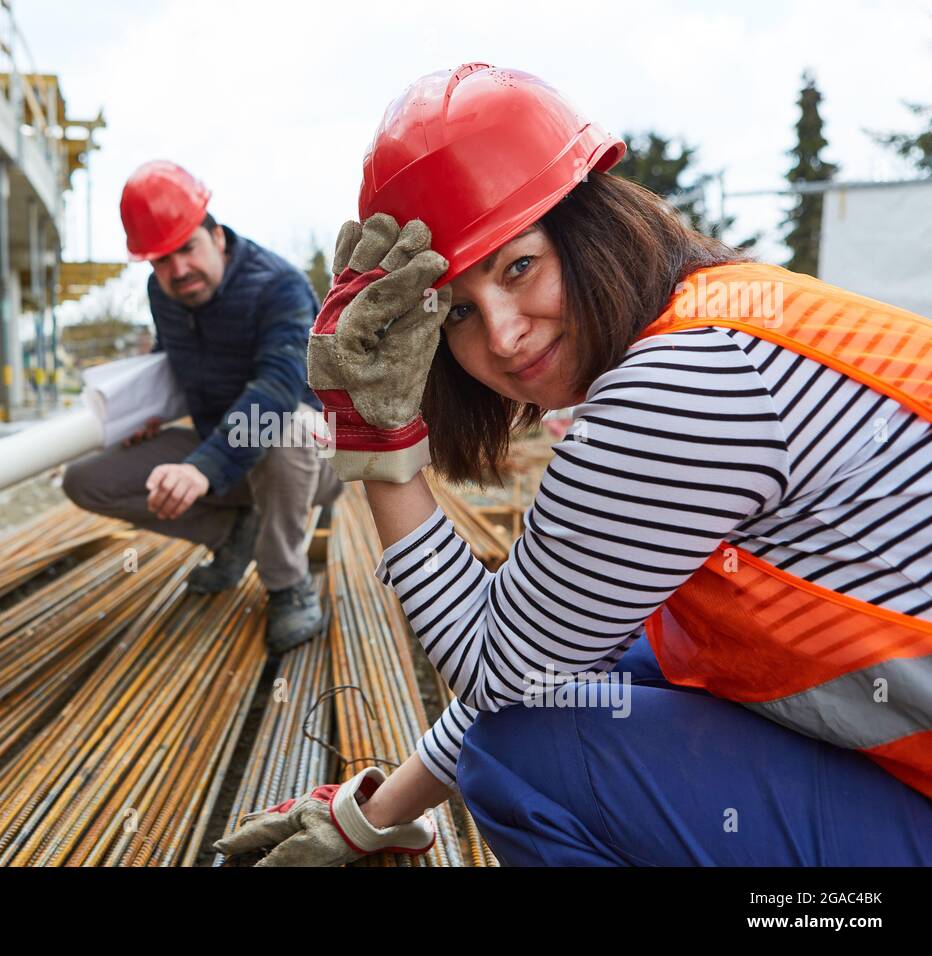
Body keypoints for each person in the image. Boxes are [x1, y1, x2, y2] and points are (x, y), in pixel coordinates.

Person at [215, 64, 932, 865]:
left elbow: (502, 678)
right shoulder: (731, 315)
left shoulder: (677, 390)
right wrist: (375, 815)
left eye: (518, 267)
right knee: (633, 658)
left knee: (523, 760)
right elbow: (551, 657)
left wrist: (382, 452)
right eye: (456, 311)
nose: (503, 335)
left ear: (591, 225)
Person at [62, 160, 342, 653]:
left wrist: (201, 469)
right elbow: (169, 363)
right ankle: (235, 533)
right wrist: (142, 415)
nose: (177, 271)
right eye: (160, 261)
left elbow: (279, 386)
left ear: (215, 235)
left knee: (284, 427)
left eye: (186, 249)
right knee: (85, 479)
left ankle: (286, 582)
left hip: (305, 454)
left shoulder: (279, 285)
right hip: (226, 452)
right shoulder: (164, 294)